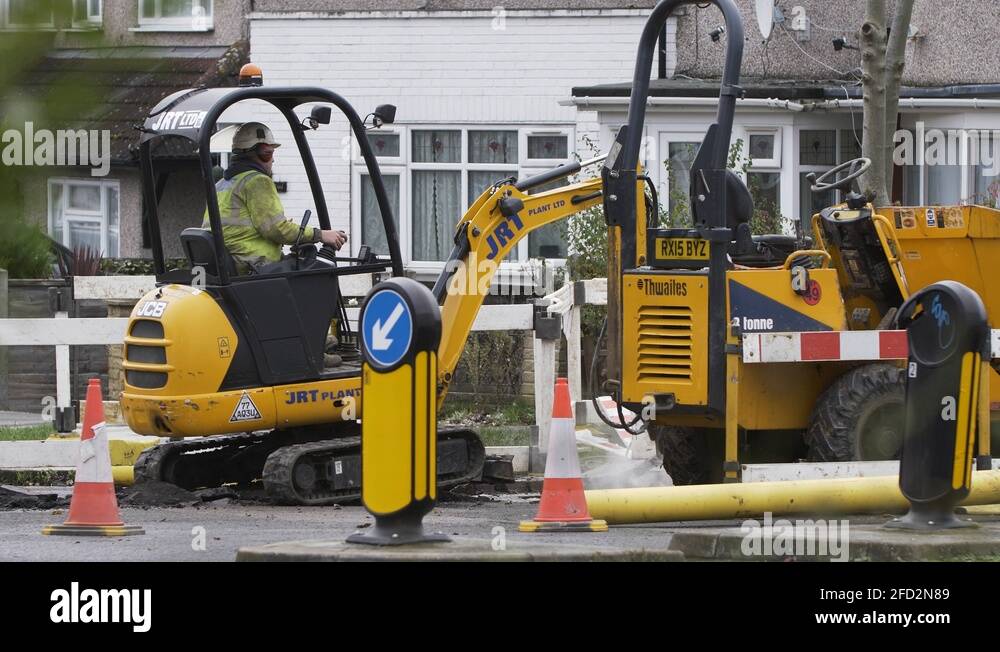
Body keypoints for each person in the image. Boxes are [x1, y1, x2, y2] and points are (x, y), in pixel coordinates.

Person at [204, 122, 347, 273]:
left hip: (234, 265)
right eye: (268, 153)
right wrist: (321, 235)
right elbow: (277, 230)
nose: (273, 160)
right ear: (253, 154)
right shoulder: (257, 181)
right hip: (254, 267)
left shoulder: (221, 185)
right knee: (314, 276)